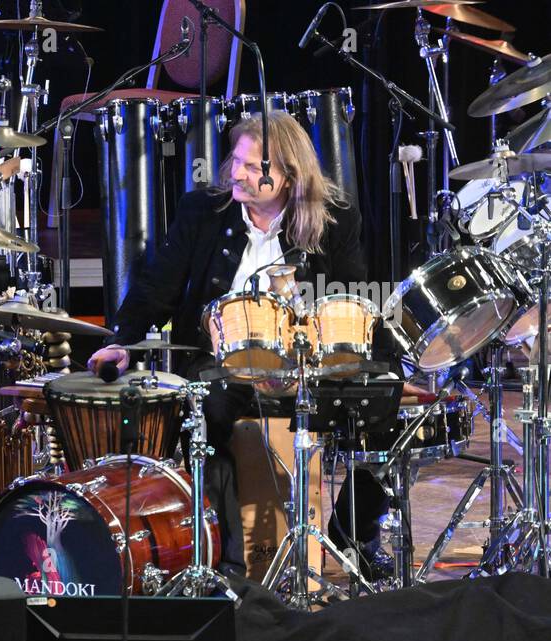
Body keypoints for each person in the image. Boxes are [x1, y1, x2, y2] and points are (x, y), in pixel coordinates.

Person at [88, 112, 401, 578]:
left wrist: (371, 357)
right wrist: (123, 342)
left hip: (304, 361)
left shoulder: (335, 218)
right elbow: (157, 286)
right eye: (236, 161)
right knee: (207, 410)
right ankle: (230, 561)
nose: (237, 173)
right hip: (222, 362)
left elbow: (351, 299)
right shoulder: (204, 211)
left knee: (386, 402)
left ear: (289, 176)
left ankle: (348, 532)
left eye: (253, 167)